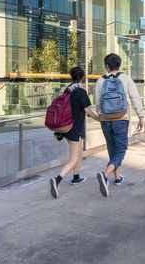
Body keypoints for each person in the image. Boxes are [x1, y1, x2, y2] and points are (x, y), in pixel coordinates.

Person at [94, 53, 144, 197]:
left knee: (112, 148)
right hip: (121, 118)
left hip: (105, 120)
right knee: (121, 149)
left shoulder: (100, 81)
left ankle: (117, 177)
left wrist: (101, 114)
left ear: (107, 66)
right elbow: (135, 98)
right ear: (119, 65)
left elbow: (98, 102)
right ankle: (105, 175)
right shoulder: (125, 78)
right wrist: (140, 116)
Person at [49, 66, 100, 199]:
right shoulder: (80, 91)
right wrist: (100, 119)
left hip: (66, 127)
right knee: (74, 158)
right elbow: (88, 111)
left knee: (77, 154)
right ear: (83, 77)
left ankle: (76, 177)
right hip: (74, 129)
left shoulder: (68, 89)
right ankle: (57, 180)